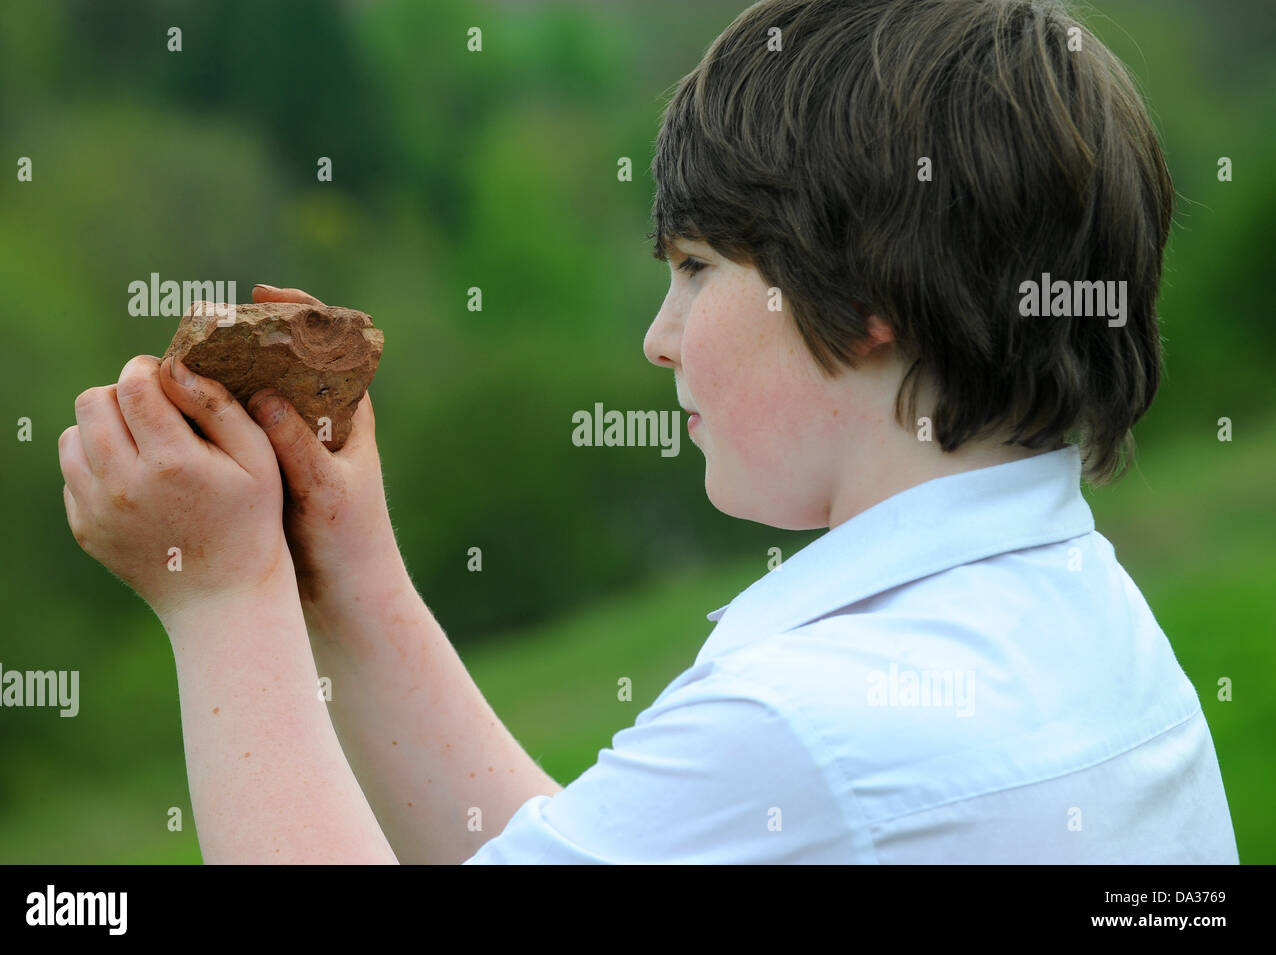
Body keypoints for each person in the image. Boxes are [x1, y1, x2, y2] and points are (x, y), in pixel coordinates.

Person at [59, 0, 1238, 863]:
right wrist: (347, 580)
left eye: (696, 267)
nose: (659, 339)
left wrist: (221, 597)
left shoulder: (812, 723)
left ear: (863, 294)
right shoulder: (1084, 620)